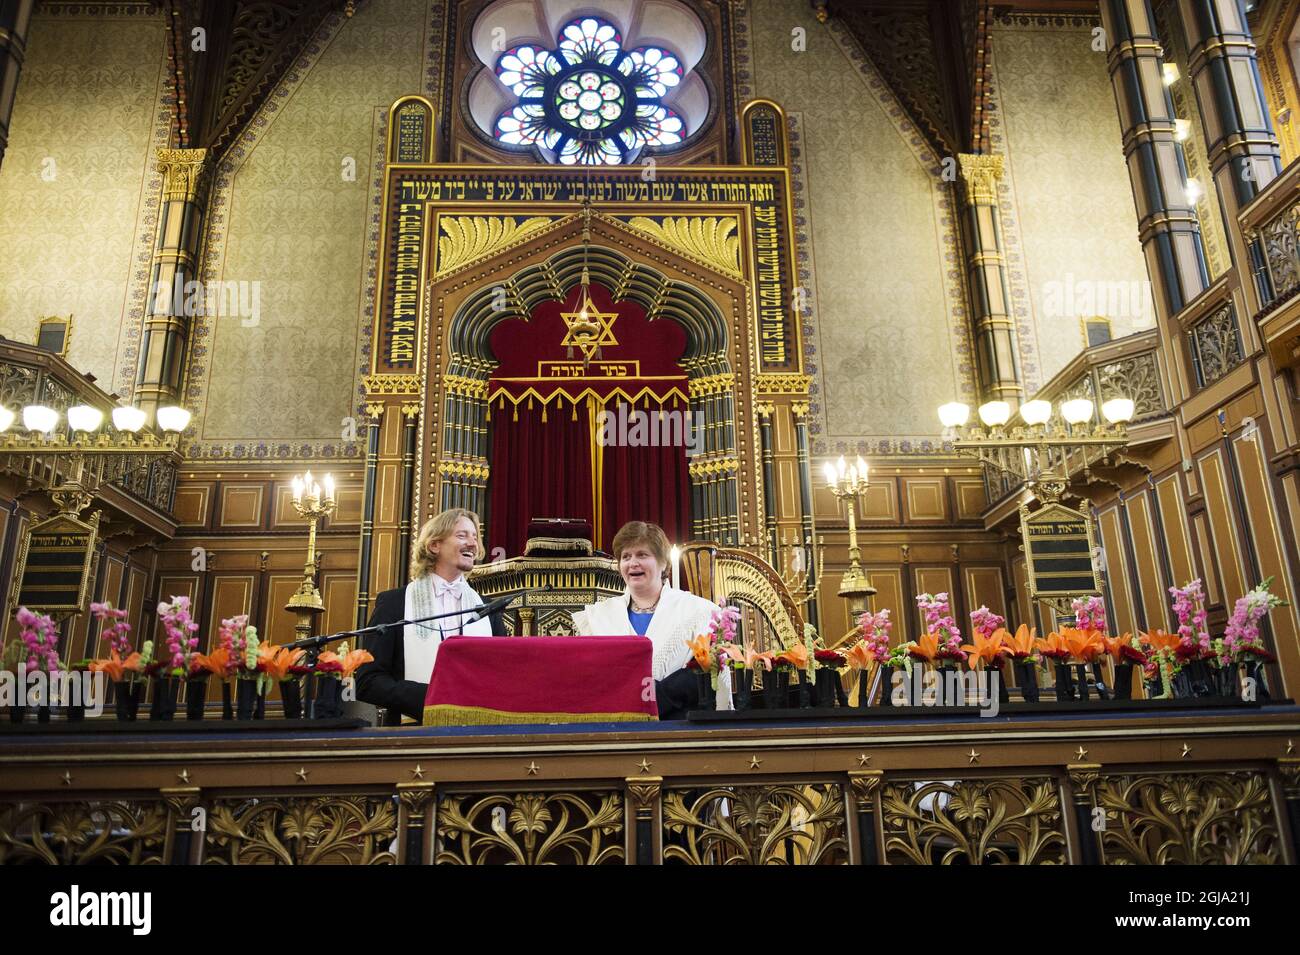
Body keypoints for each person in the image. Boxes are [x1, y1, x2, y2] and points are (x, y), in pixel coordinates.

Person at [356, 508, 505, 725]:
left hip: (476, 732)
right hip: (410, 734)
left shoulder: (488, 609)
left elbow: (501, 676)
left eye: (475, 537)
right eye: (462, 535)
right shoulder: (395, 603)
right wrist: (430, 697)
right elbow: (368, 681)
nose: (473, 544)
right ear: (434, 545)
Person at [572, 521, 730, 719]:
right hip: (616, 726)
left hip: (678, 728)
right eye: (626, 557)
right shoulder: (598, 616)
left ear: (663, 562)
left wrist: (659, 696)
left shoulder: (699, 611)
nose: (632, 563)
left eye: (642, 555)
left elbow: (706, 674)